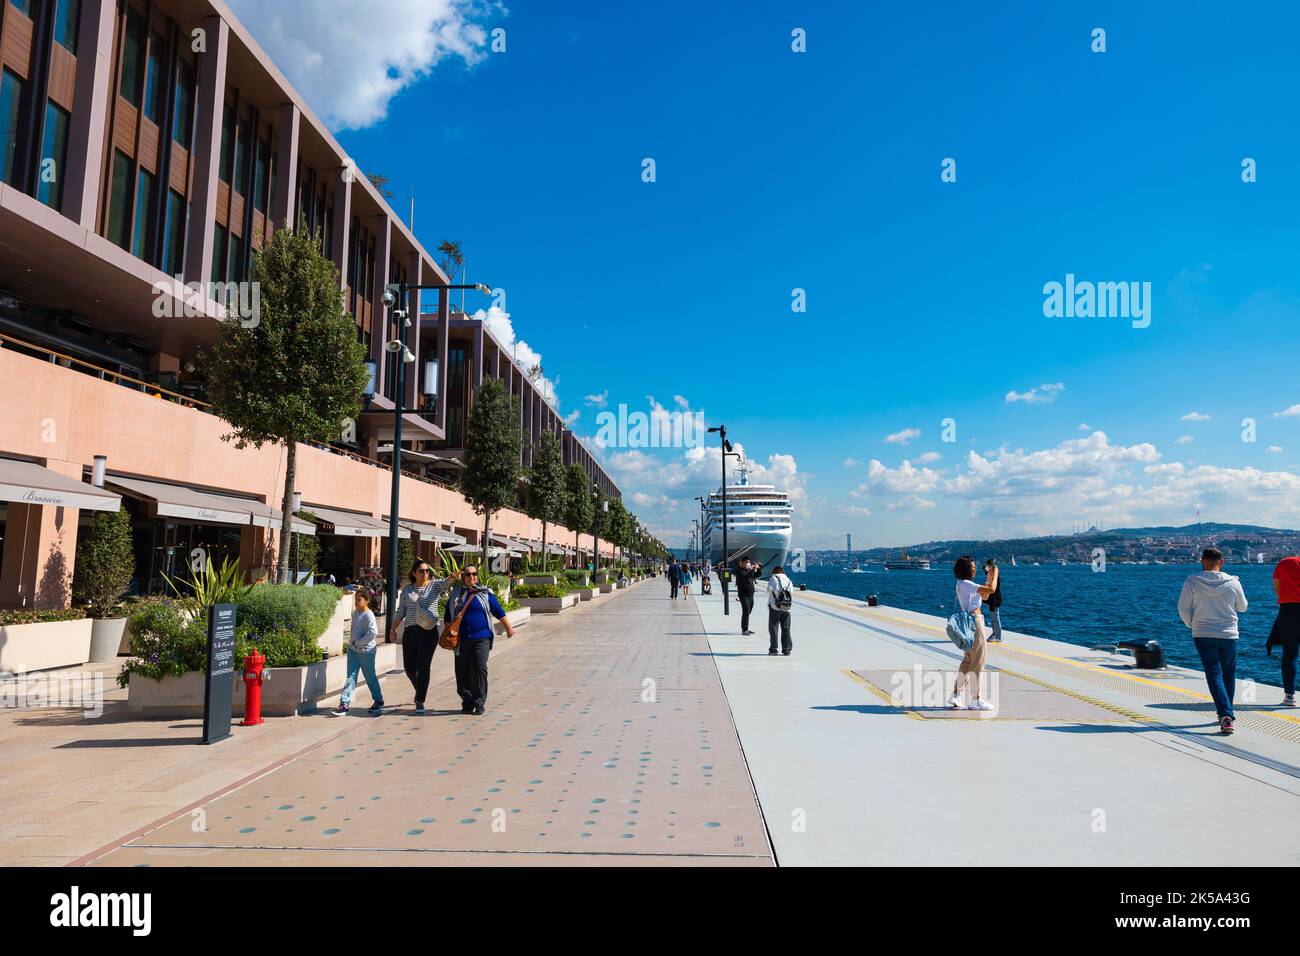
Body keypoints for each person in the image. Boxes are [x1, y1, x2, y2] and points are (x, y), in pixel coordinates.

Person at [1178, 548, 1249, 735]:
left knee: (1214, 674)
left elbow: (1183, 609)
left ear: (1202, 561)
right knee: (1228, 674)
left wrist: (1193, 625)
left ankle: (1225, 714)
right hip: (1229, 635)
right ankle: (1227, 713)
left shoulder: (1192, 581)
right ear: (1222, 561)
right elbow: (1243, 607)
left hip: (1203, 633)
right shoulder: (1233, 582)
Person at [444, 565, 514, 714]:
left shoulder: (485, 593)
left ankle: (480, 701)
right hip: (461, 640)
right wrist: (449, 631)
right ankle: (467, 701)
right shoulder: (456, 594)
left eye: (474, 574)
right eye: (468, 574)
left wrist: (508, 628)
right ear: (463, 577)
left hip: (481, 637)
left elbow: (498, 611)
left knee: (479, 667)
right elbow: (447, 615)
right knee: (462, 671)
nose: (472, 577)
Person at [392, 560, 453, 715]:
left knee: (424, 667)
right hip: (411, 631)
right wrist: (393, 629)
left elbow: (446, 583)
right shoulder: (407, 590)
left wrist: (453, 577)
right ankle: (420, 689)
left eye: (427, 571)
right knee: (409, 668)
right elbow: (401, 611)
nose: (425, 573)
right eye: (421, 571)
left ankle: (420, 700)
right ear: (414, 573)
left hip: (429, 631)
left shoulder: (434, 586)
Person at [949, 556, 997, 711]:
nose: (975, 569)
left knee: (968, 661)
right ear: (966, 569)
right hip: (975, 623)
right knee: (978, 661)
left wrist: (988, 579)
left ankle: (956, 694)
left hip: (970, 623)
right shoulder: (966, 584)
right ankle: (975, 700)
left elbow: (985, 595)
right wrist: (995, 574)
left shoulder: (963, 584)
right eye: (972, 567)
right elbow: (992, 591)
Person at [332, 589, 384, 716]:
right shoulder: (356, 613)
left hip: (366, 652)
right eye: (355, 599)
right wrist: (352, 643)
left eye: (359, 600)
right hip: (353, 651)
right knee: (351, 677)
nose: (356, 602)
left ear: (367, 601)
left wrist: (359, 642)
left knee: (370, 677)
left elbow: (373, 632)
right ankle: (344, 703)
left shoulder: (369, 615)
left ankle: (378, 700)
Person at [1266, 556, 1300, 708]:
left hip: (1289, 611)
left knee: (1290, 654)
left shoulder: (1285, 562)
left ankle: (1290, 697)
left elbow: (1276, 588)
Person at [767, 564, 794, 655]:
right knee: (786, 628)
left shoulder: (773, 578)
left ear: (774, 572)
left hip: (775, 607)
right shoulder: (789, 580)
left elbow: (769, 590)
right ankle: (787, 649)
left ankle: (773, 649)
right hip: (787, 607)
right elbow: (791, 592)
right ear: (783, 571)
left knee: (774, 628)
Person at [734, 557, 759, 635]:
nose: (748, 563)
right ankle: (744, 629)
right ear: (742, 562)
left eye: (749, 562)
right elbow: (746, 577)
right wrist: (752, 570)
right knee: (746, 611)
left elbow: (757, 575)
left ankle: (746, 627)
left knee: (749, 610)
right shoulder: (739, 570)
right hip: (743, 594)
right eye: (747, 562)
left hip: (751, 594)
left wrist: (757, 569)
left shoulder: (748, 570)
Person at [983, 559, 1003, 642]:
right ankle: (994, 633)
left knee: (995, 617)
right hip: (992, 599)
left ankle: (997, 636)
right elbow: (984, 569)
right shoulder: (991, 574)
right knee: (993, 617)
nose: (986, 567)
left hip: (995, 599)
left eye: (988, 565)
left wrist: (993, 568)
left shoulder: (994, 576)